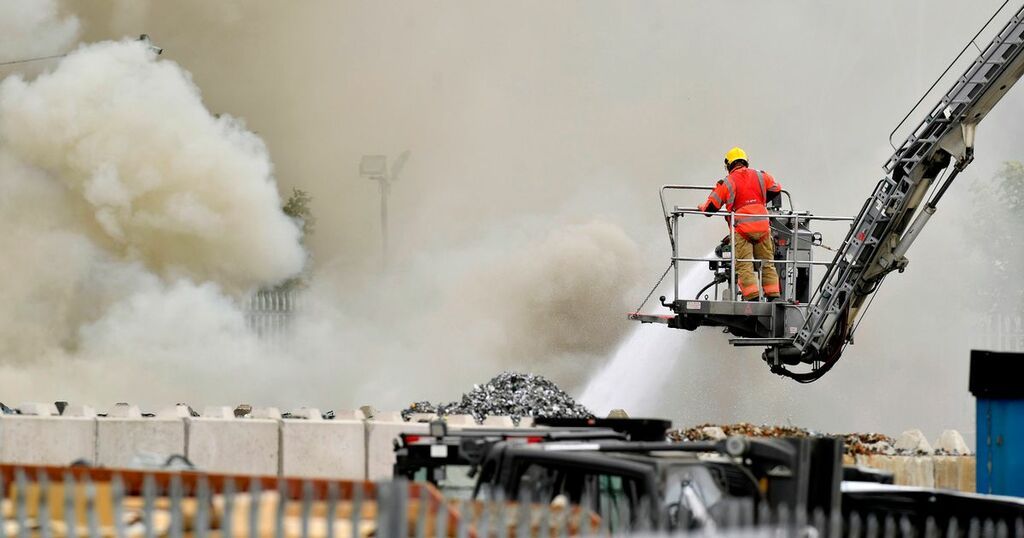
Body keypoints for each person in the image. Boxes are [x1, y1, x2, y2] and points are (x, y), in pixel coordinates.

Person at [698, 147, 783, 301]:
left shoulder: (727, 182)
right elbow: (776, 188)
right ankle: (774, 296)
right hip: (763, 228)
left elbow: (710, 208)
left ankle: (752, 299)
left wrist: (701, 207)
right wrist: (761, 201)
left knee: (744, 266)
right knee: (767, 264)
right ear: (746, 161)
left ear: (729, 165)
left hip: (742, 230)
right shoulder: (761, 175)